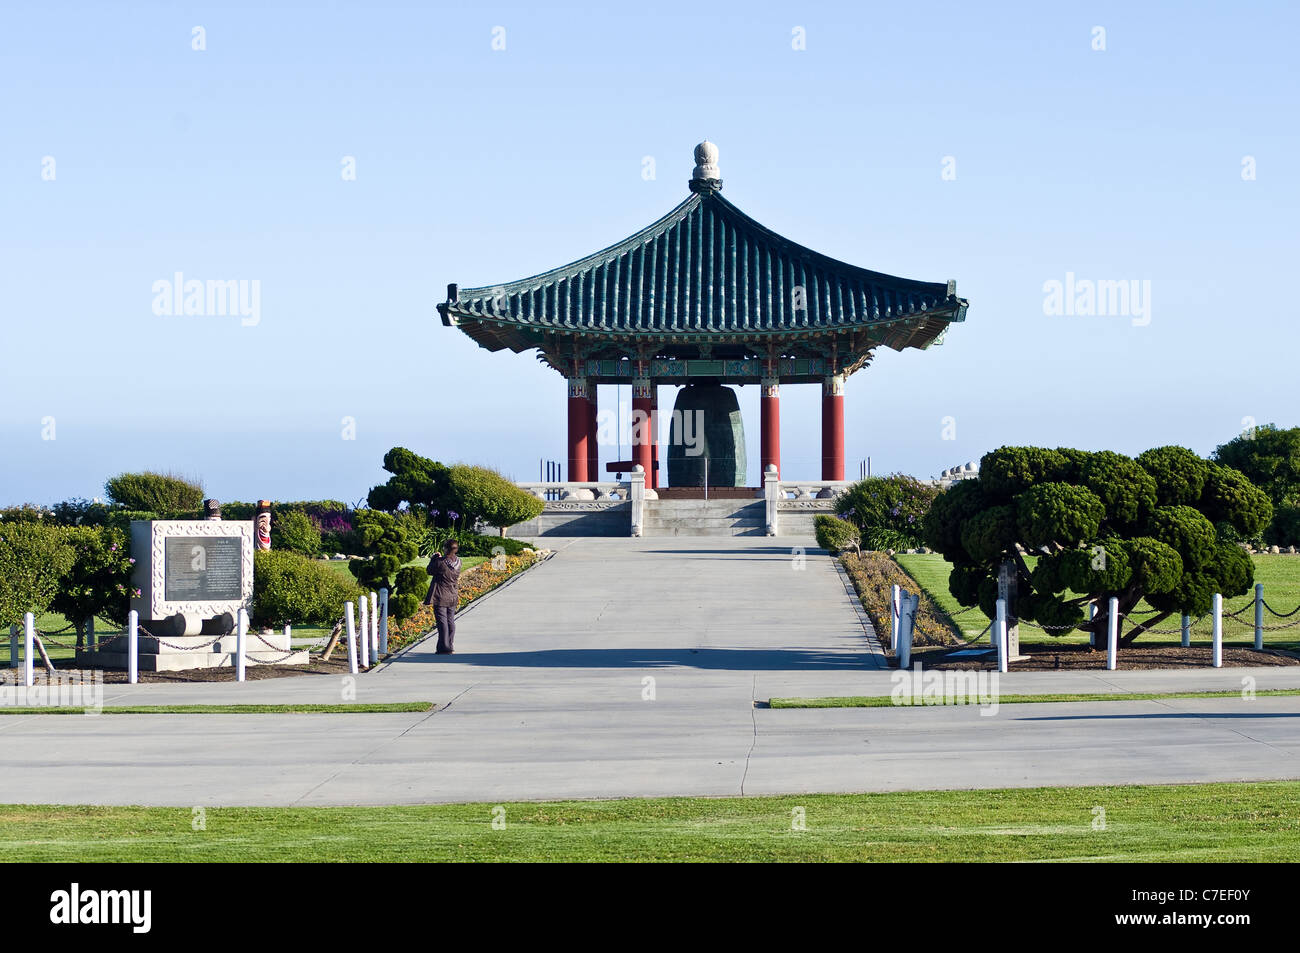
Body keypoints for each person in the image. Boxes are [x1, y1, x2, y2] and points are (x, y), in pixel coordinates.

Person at [425, 539, 462, 654]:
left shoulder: (440, 562)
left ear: (446, 549)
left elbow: (429, 570)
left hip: (440, 595)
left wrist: (434, 558)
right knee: (450, 620)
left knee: (442, 622)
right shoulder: (458, 562)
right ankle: (449, 645)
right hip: (452, 595)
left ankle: (444, 648)